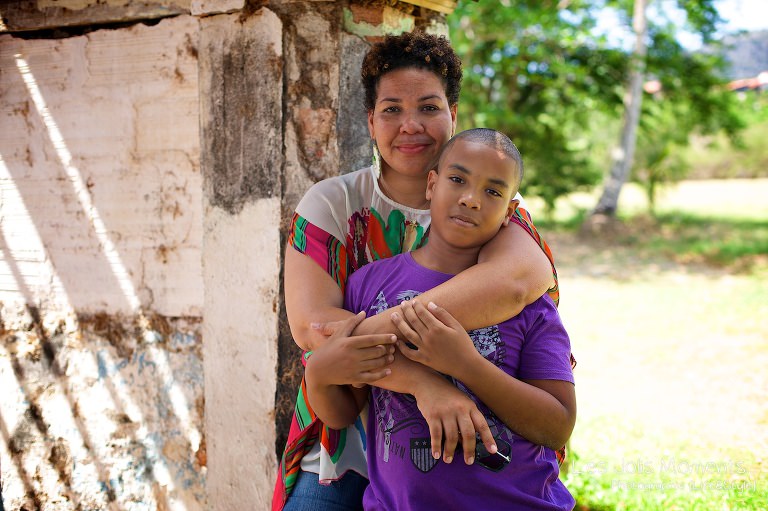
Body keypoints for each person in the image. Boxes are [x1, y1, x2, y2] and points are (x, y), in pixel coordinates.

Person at [274, 32, 562, 511]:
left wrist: (360, 335)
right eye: (391, 110)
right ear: (370, 121)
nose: (410, 125)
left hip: (468, 444)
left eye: (428, 107)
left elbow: (513, 284)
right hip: (344, 439)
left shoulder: (487, 206)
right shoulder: (332, 203)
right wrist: (423, 382)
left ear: (453, 115)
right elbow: (314, 329)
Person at [307, 128, 576, 510]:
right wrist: (318, 374)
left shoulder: (529, 303)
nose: (470, 199)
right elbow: (342, 411)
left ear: (510, 213)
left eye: (493, 192)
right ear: (431, 184)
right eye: (457, 180)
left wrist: (465, 365)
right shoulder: (369, 286)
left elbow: (558, 425)